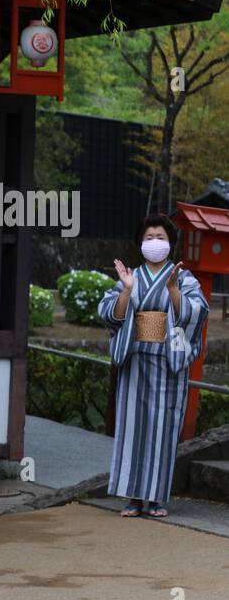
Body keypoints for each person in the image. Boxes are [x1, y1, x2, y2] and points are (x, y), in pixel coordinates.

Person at [97, 213, 209, 518]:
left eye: (161, 238)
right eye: (149, 238)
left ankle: (157, 497)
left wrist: (173, 291)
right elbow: (110, 315)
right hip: (136, 360)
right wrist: (126, 290)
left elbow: (197, 312)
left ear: (171, 243)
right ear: (140, 243)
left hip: (167, 363)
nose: (155, 243)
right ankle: (133, 497)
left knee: (162, 430)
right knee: (133, 428)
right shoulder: (132, 276)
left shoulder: (183, 278)